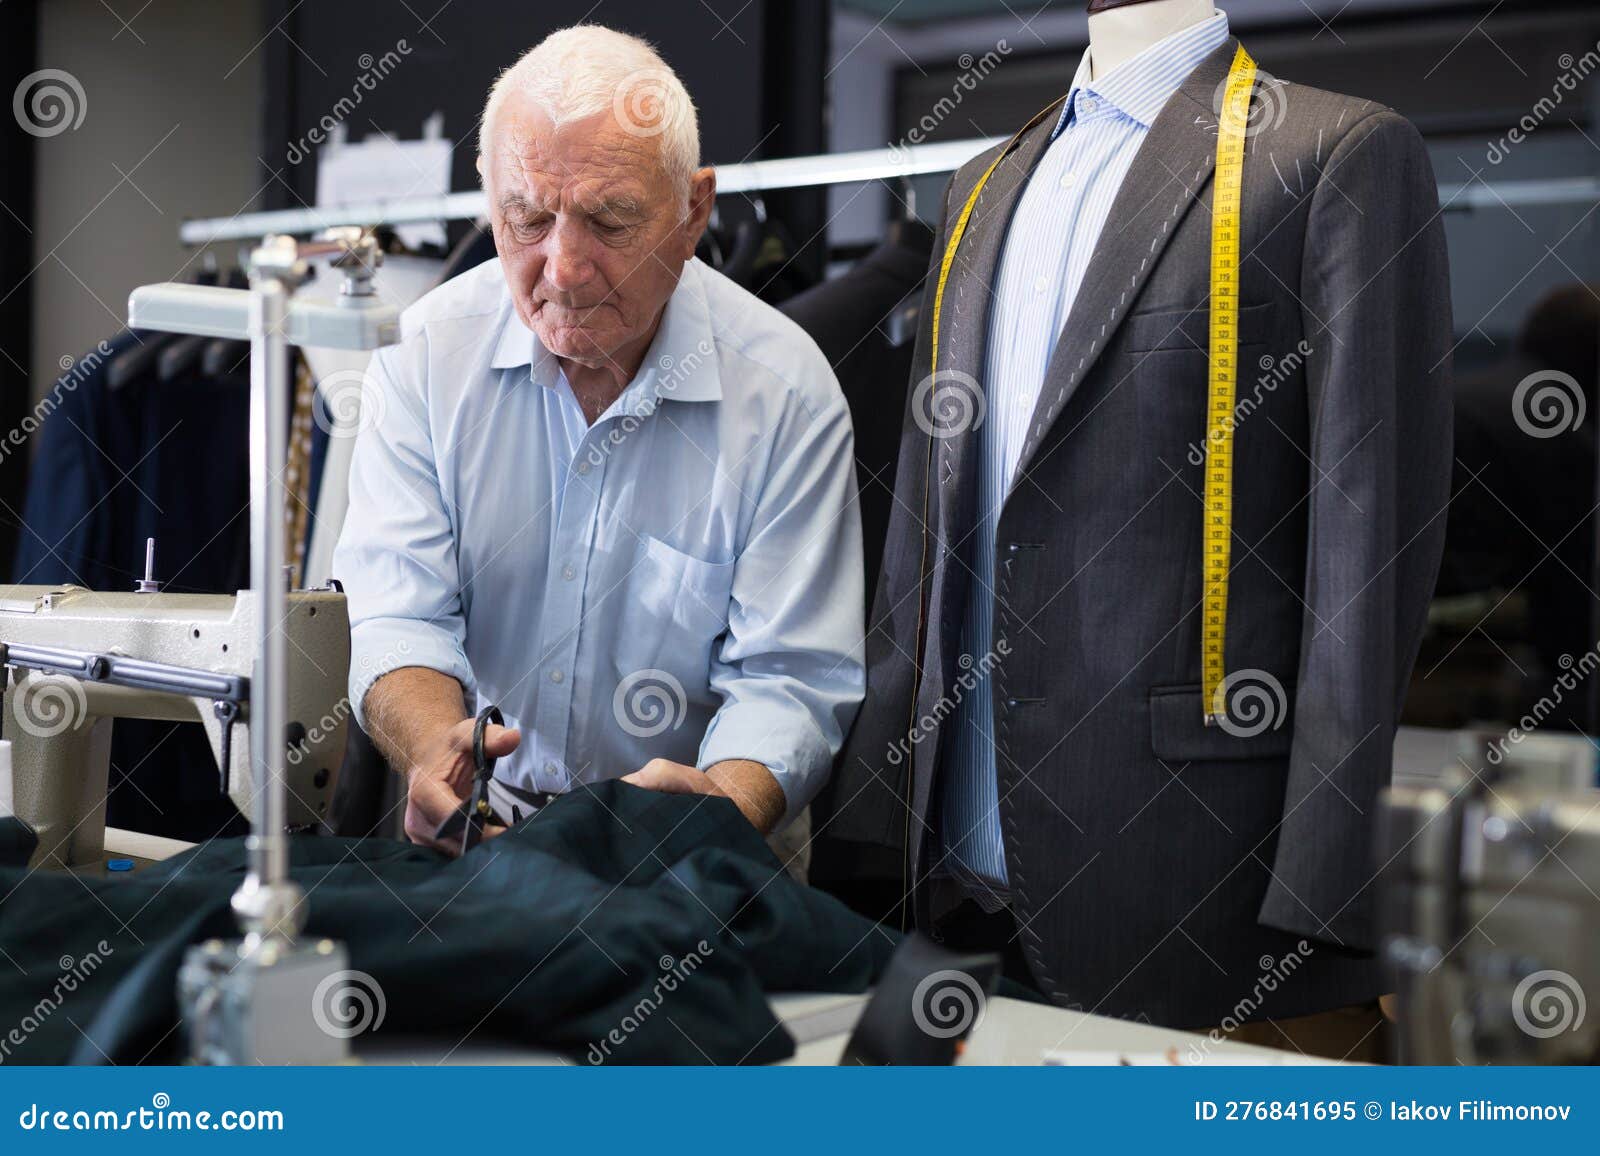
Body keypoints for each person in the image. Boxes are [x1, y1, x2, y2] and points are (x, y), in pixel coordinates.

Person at [334, 25, 864, 854]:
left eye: (610, 222)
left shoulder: (784, 392)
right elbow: (400, 611)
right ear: (488, 199)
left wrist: (721, 804)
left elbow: (789, 678)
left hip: (699, 847)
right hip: (476, 835)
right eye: (528, 217)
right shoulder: (426, 355)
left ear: (695, 210)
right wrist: (435, 741)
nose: (565, 268)